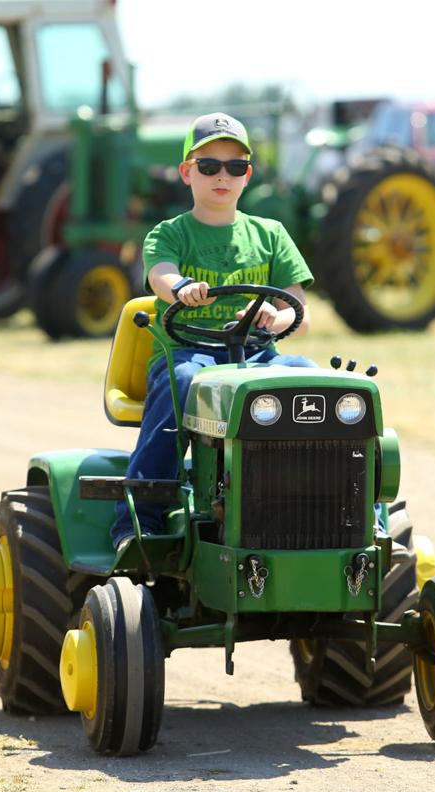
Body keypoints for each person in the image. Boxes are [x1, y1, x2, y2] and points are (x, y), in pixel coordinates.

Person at [109, 112, 315, 553]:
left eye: (235, 167)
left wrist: (271, 320)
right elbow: (162, 275)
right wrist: (182, 289)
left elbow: (297, 310)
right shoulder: (169, 234)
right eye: (209, 166)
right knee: (183, 382)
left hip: (258, 357)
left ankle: (351, 515)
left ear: (247, 176)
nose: (223, 176)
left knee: (313, 381)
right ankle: (137, 520)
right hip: (189, 355)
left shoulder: (272, 235)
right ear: (187, 172)